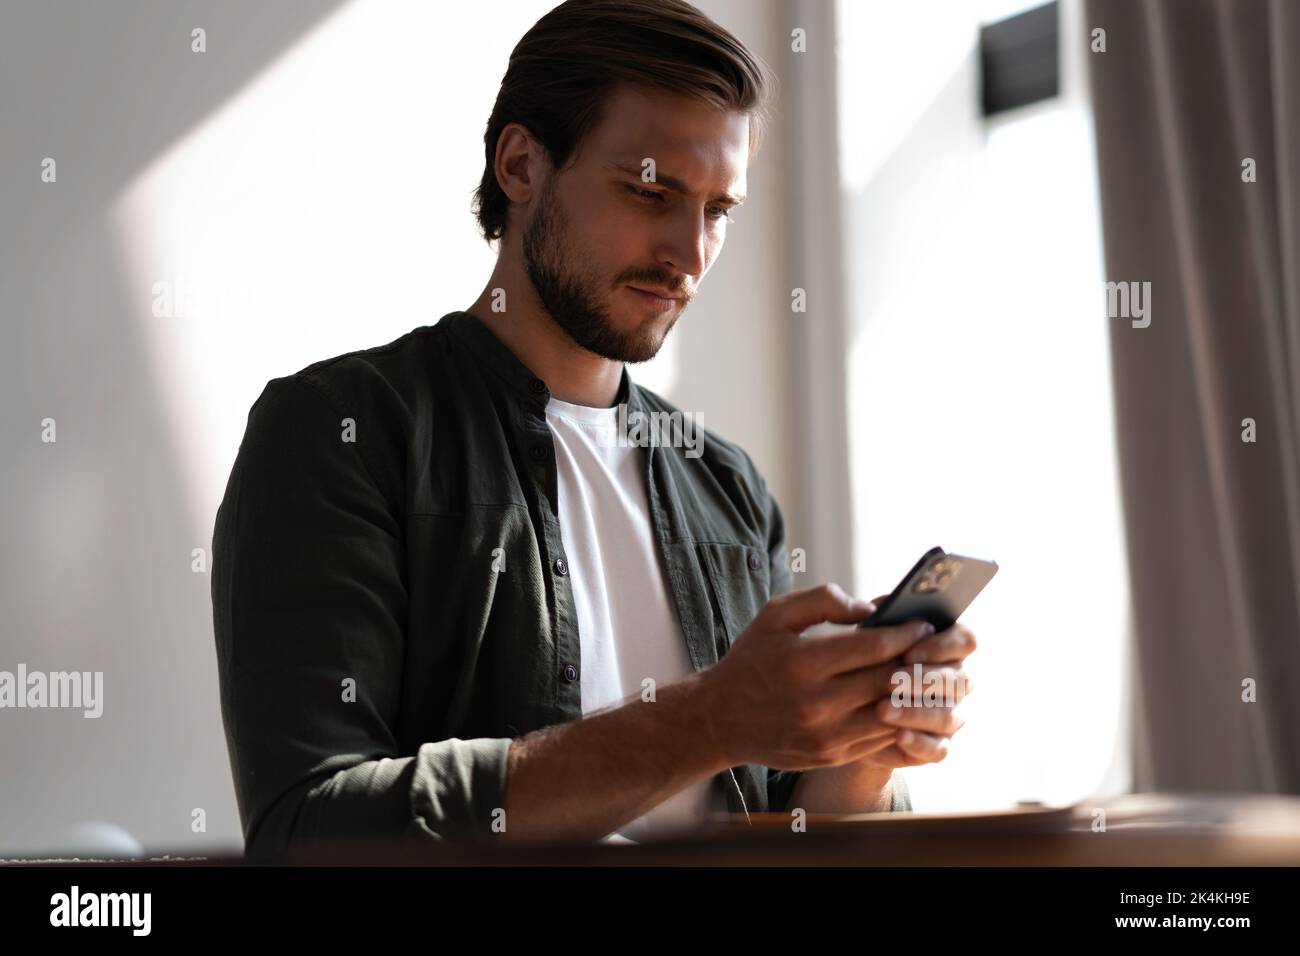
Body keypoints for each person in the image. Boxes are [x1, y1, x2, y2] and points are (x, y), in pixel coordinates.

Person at [211, 0, 975, 858]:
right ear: (520, 164)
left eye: (719, 210)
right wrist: (708, 720)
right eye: (651, 191)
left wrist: (864, 746)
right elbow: (309, 830)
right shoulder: (340, 433)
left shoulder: (725, 487)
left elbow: (795, 828)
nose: (689, 252)